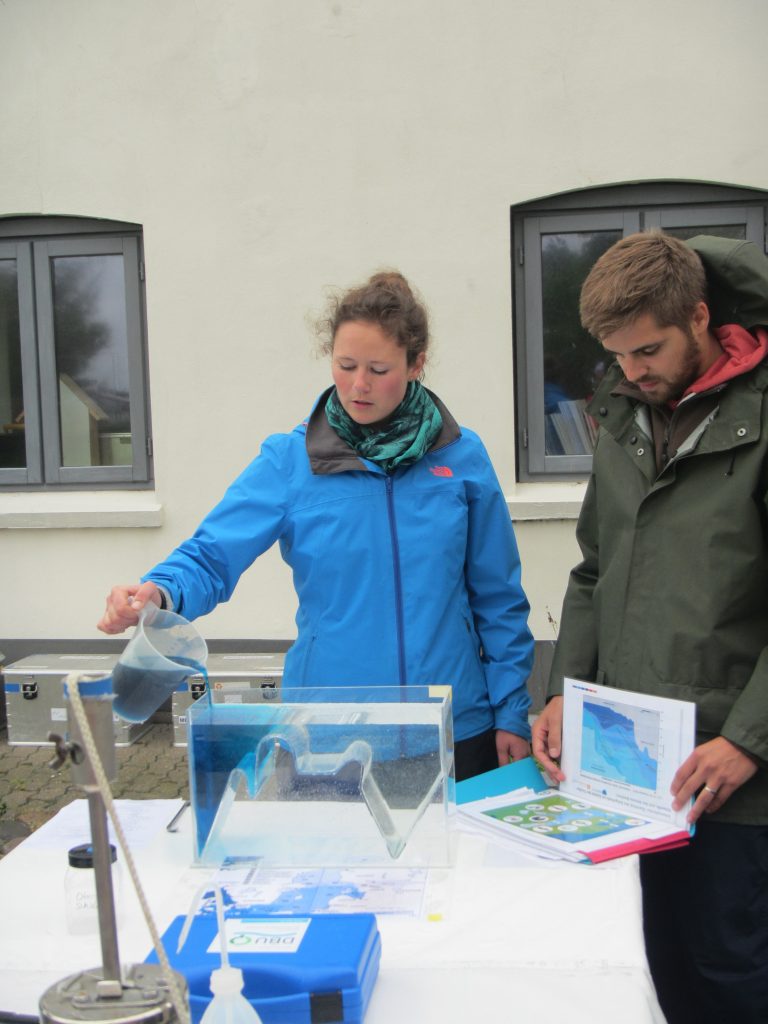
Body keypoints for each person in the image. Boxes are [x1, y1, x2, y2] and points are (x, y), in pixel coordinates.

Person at [99, 271, 534, 781]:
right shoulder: (291, 460)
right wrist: (158, 590)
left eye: (378, 369)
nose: (358, 385)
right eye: (345, 365)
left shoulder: (461, 457)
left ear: (416, 364)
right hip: (328, 736)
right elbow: (212, 554)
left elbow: (498, 596)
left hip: (456, 729)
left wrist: (511, 712)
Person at [531, 231, 768, 1023]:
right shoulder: (625, 415)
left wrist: (748, 743)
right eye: (616, 355)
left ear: (699, 317)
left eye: (648, 350)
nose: (632, 371)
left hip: (736, 778)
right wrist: (562, 692)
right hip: (633, 767)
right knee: (655, 967)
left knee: (730, 975)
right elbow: (595, 568)